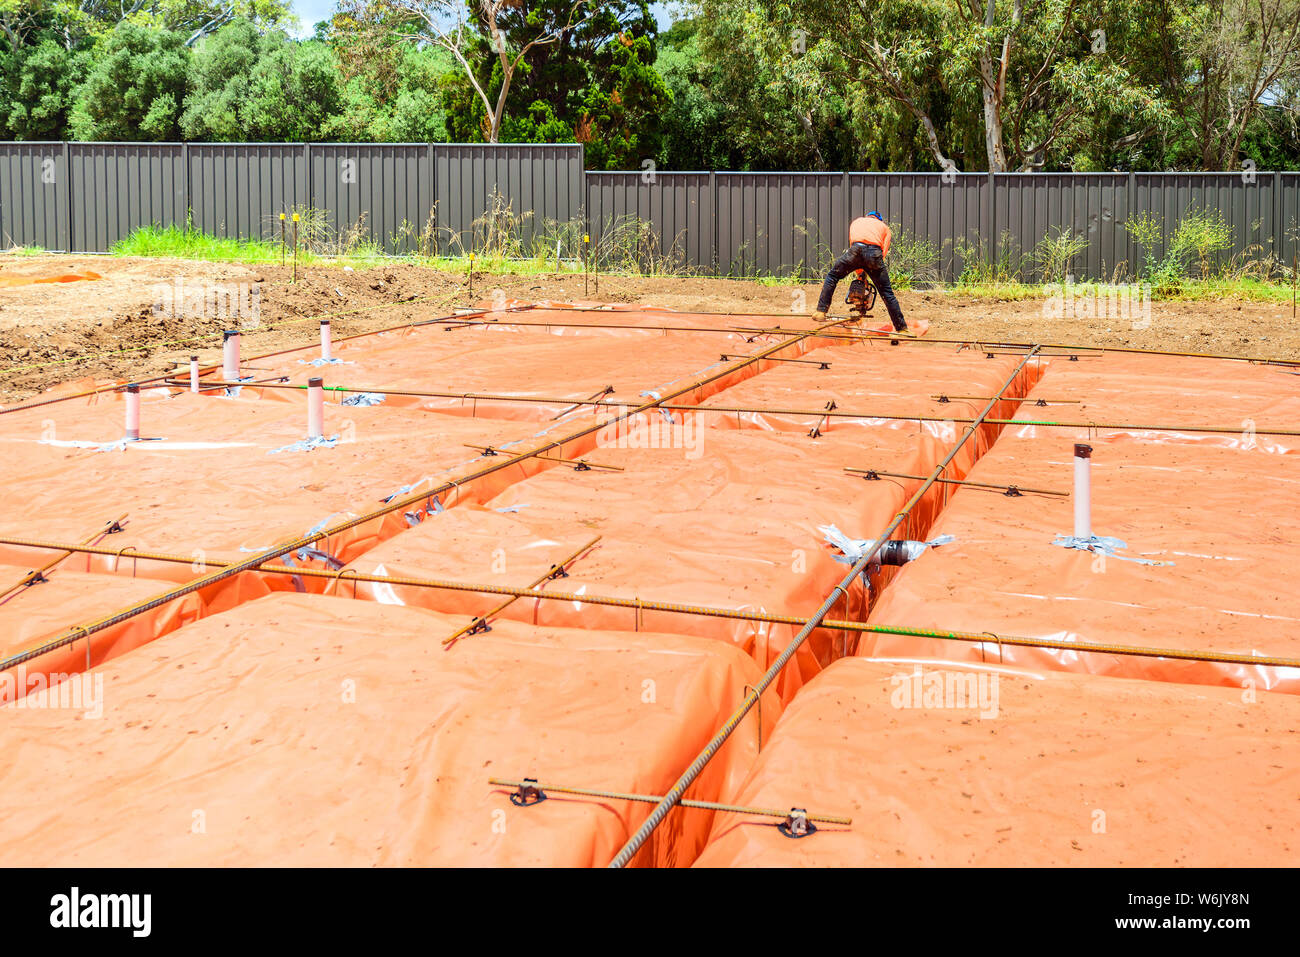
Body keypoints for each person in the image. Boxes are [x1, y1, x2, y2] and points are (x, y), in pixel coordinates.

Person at [811, 211, 907, 332]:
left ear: (867, 217)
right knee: (887, 293)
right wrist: (871, 271)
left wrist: (860, 275)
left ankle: (821, 311)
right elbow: (883, 252)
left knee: (832, 276)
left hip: (855, 250)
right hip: (874, 253)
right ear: (879, 220)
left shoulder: (856, 222)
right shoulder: (884, 227)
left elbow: (855, 249)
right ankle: (902, 328)